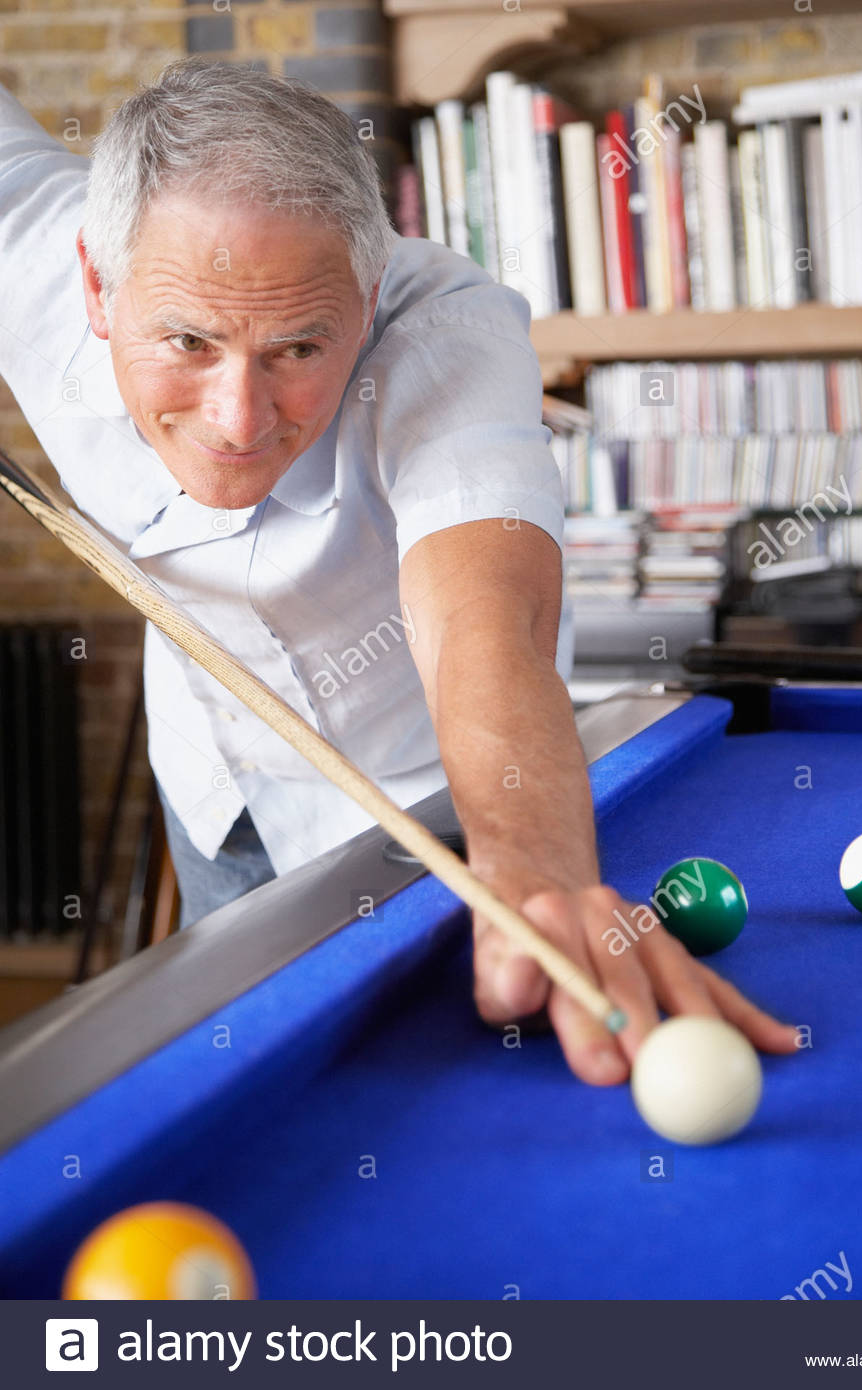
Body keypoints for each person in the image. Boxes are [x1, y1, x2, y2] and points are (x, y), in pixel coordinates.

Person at [0, 58, 796, 1084]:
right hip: (217, 776)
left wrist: (538, 877)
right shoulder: (31, 255)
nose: (239, 417)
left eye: (297, 346)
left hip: (439, 793)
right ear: (95, 286)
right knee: (252, 1073)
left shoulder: (446, 337)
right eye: (189, 340)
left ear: (367, 297)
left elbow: (485, 628)